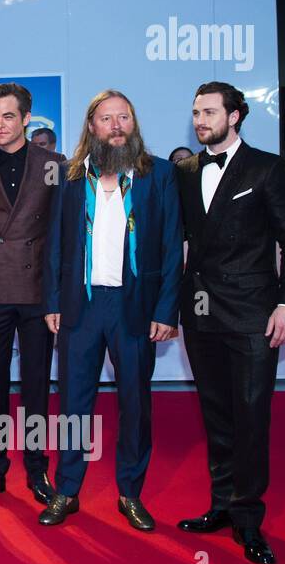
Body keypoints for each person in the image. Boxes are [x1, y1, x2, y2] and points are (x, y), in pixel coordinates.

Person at [175, 82, 285, 564]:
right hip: (201, 312)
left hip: (254, 312)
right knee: (217, 414)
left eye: (209, 112)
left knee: (251, 416)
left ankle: (248, 519)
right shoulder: (186, 171)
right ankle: (222, 505)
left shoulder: (269, 167)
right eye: (195, 112)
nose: (199, 120)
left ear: (236, 116)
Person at [41, 90, 182, 530]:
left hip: (134, 307)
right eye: (107, 118)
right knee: (72, 404)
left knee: (134, 403)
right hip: (80, 307)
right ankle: (67, 490)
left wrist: (166, 310)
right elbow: (55, 245)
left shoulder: (158, 174)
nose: (117, 125)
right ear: (92, 127)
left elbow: (172, 246)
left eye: (125, 117)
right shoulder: (68, 178)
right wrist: (52, 302)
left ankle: (131, 493)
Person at [0, 83, 66, 507]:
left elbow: (60, 232)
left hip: (38, 290)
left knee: (37, 386)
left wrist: (58, 295)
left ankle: (38, 469)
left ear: (26, 118)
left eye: (7, 116)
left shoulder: (55, 164)